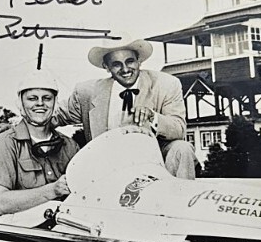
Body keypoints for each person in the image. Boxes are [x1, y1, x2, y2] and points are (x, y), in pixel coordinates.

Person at [59, 37, 196, 179]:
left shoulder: (166, 84)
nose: (125, 69)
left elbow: (179, 129)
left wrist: (152, 117)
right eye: (116, 64)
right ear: (106, 67)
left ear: (139, 61)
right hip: (109, 166)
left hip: (154, 161)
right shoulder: (87, 92)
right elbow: (54, 115)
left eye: (130, 61)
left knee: (182, 148)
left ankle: (176, 197)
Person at [0, 71, 79, 223]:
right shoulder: (4, 143)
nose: (40, 103)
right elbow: (0, 203)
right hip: (20, 235)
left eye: (47, 98)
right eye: (32, 98)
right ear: (21, 103)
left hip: (65, 230)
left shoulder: (70, 146)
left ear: (55, 103)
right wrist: (52, 190)